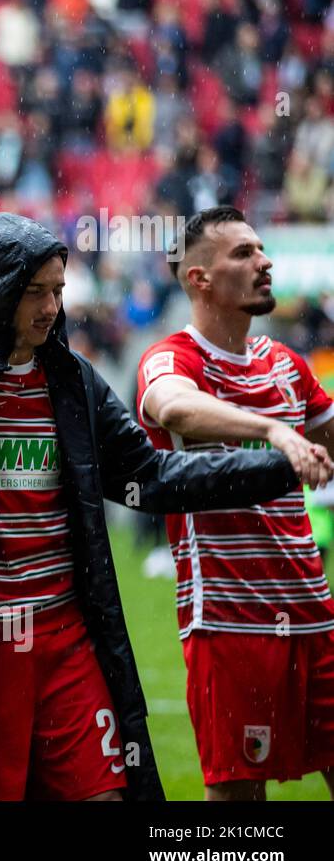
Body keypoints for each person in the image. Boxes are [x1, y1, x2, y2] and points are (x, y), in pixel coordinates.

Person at [0, 212, 309, 801]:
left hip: (66, 639)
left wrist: (278, 464)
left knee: (107, 794)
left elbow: (150, 475)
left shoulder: (72, 379)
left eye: (58, 291)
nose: (50, 307)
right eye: (34, 291)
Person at [136, 205, 334, 800]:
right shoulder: (172, 359)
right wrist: (273, 431)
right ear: (200, 279)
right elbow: (171, 406)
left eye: (261, 249)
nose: (264, 261)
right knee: (238, 801)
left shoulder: (286, 366)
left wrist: (294, 432)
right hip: (228, 619)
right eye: (243, 254)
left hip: (313, 610)